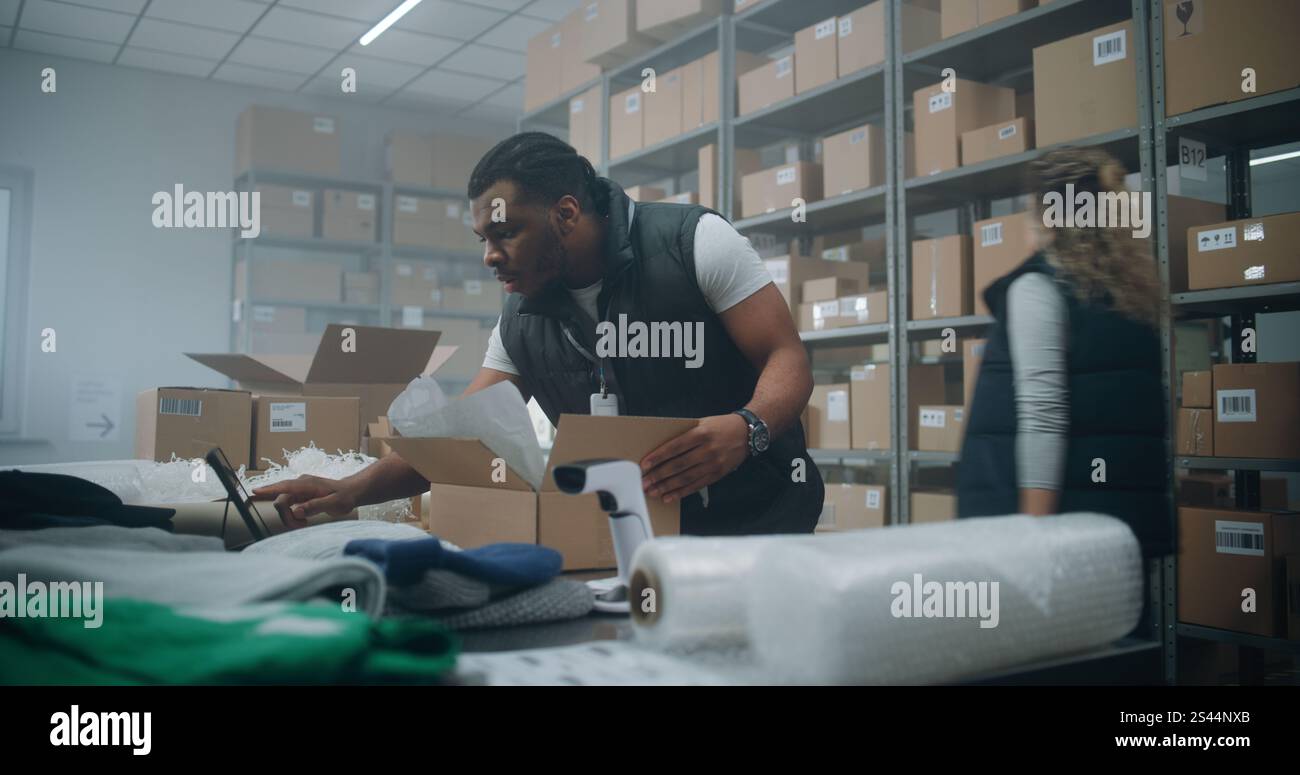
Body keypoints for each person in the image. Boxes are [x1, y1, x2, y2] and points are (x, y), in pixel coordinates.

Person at [254, 132, 823, 536]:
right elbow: (464, 442)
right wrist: (350, 489)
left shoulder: (692, 242)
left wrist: (745, 430)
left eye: (504, 233)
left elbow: (787, 357)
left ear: (567, 213)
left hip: (760, 518)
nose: (489, 257)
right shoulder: (521, 321)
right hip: (636, 531)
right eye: (481, 238)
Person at [957, 147, 1172, 557]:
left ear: (1045, 215)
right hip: (1120, 530)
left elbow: (1044, 415)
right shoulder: (1130, 298)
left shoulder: (1038, 288)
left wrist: (1035, 537)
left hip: (1053, 535)